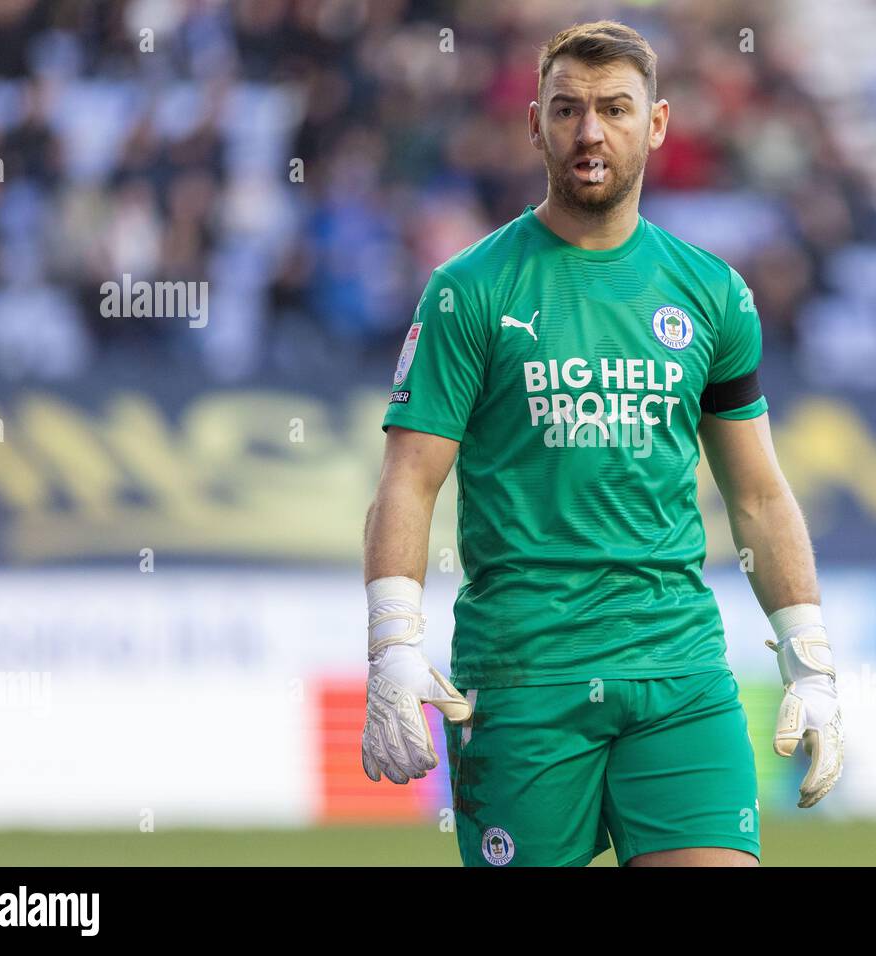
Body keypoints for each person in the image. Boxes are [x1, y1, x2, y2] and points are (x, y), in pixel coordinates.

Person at [360, 20, 842, 867]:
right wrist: (394, 648)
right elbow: (408, 482)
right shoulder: (469, 289)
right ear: (535, 124)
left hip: (679, 673)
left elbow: (759, 494)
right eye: (568, 109)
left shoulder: (712, 292)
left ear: (655, 124)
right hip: (523, 679)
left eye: (615, 109)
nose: (591, 133)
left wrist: (810, 658)